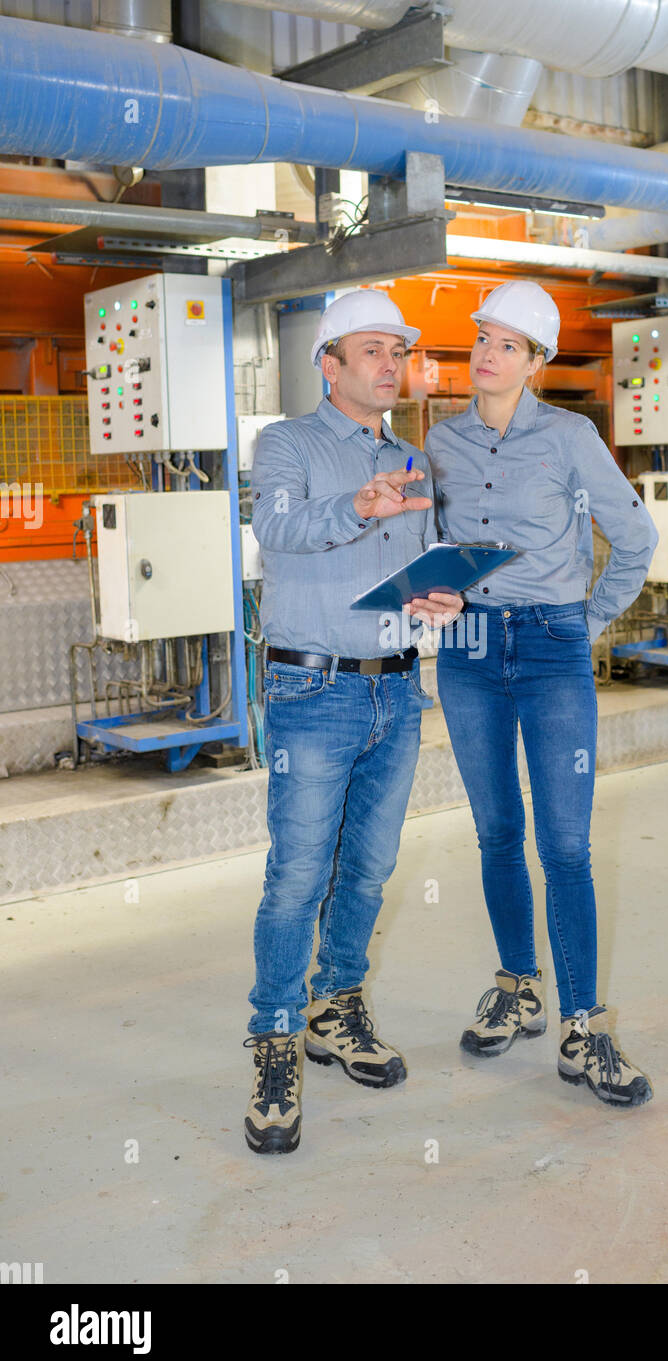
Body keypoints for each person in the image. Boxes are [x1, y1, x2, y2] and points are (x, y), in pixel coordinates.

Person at [423, 280, 659, 1108]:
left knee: (565, 846)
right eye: (483, 337)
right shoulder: (440, 441)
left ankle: (583, 1026)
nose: (488, 353)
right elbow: (431, 545)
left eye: (508, 344)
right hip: (468, 652)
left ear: (535, 362)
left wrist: (580, 625)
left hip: (553, 646)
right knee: (496, 832)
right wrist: (429, 596)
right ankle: (518, 988)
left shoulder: (570, 438)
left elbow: (635, 537)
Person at [245, 289, 462, 1154]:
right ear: (328, 363)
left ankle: (337, 1006)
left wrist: (441, 596)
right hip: (312, 692)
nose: (390, 364)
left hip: (397, 691)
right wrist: (359, 508)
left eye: (398, 352)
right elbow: (277, 529)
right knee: (298, 876)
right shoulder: (286, 443)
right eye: (372, 350)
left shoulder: (413, 459)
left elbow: (414, 573)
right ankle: (274, 1037)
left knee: (369, 872)